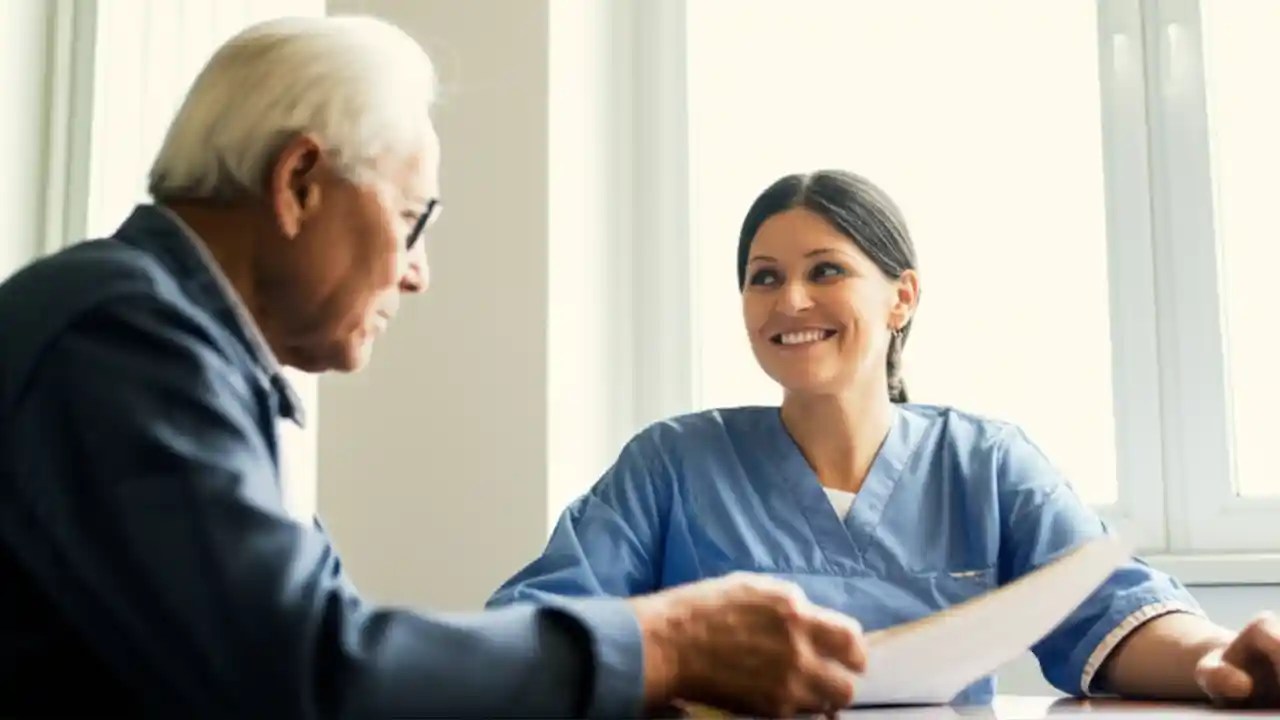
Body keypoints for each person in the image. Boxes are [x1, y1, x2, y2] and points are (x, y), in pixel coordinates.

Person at [0, 17, 869, 718]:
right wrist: (665, 646)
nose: (417, 272)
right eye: (412, 220)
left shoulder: (184, 353)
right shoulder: (119, 332)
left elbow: (341, 658)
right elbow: (306, 674)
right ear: (300, 181)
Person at [489, 169, 1280, 708]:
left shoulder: (987, 463)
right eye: (763, 277)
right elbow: (541, 628)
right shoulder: (672, 464)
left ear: (902, 297)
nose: (789, 299)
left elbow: (1113, 611)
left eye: (825, 270)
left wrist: (1216, 658)